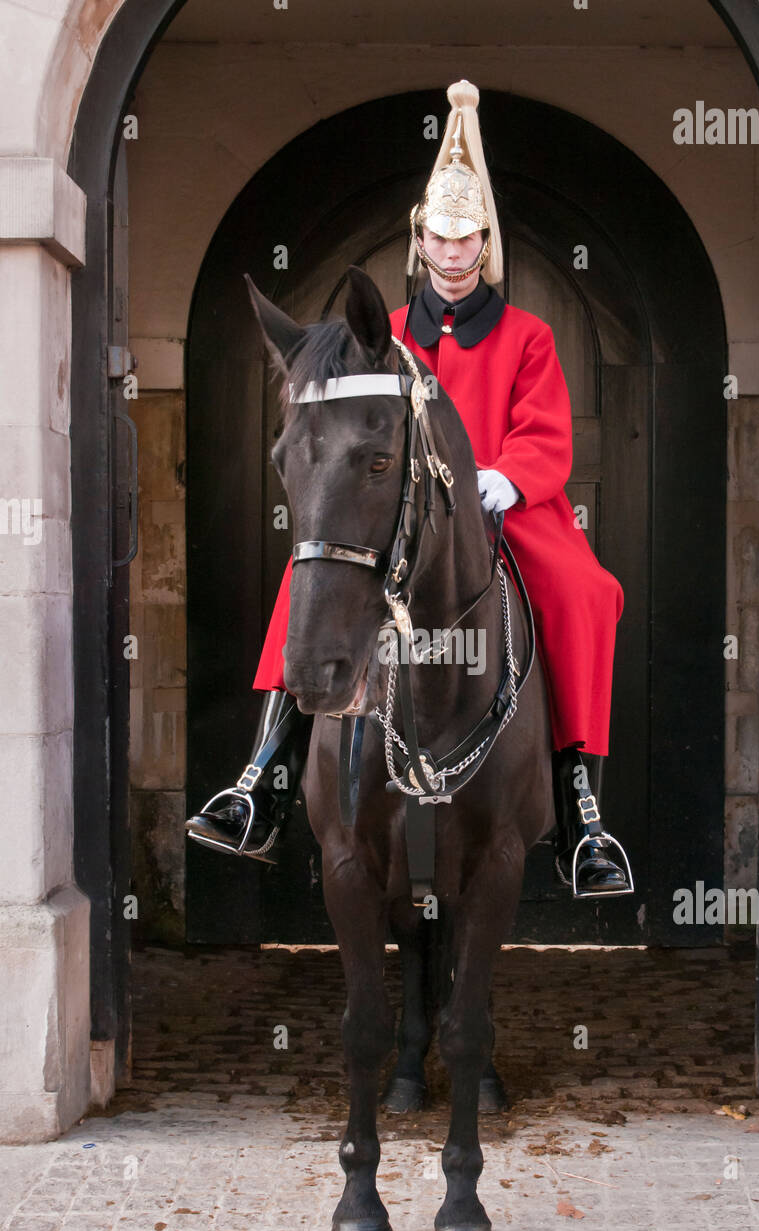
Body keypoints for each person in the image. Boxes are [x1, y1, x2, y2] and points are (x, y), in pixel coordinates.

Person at [186, 80, 632, 897]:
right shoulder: (380, 333)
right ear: (419, 240)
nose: (453, 253)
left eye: (467, 240)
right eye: (439, 237)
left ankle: (580, 811)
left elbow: (546, 433)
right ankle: (259, 780)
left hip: (501, 506)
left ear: (484, 244)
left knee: (585, 592)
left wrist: (506, 478)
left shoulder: (528, 336)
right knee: (311, 571)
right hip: (398, 510)